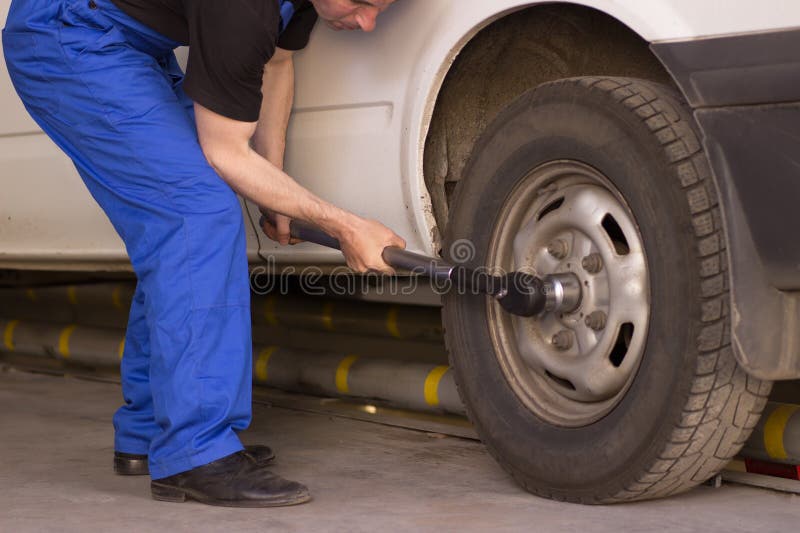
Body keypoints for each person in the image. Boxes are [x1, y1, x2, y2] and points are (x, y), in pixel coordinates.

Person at [2, 0, 402, 508]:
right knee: (195, 214)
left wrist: (272, 187)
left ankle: (150, 430)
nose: (367, 22)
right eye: (363, 2)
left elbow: (276, 64)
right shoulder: (241, 5)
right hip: (66, 35)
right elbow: (225, 151)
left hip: (123, 43)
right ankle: (195, 452)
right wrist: (345, 226)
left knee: (188, 223)